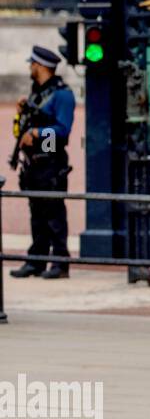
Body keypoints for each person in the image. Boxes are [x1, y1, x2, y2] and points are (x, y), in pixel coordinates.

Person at [9, 46, 76, 279]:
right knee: (36, 215)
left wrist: (37, 134)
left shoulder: (62, 95)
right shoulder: (36, 94)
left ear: (41, 66)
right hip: (33, 164)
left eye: (32, 64)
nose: (30, 68)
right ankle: (36, 260)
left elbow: (62, 131)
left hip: (51, 162)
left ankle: (60, 263)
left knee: (54, 214)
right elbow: (22, 127)